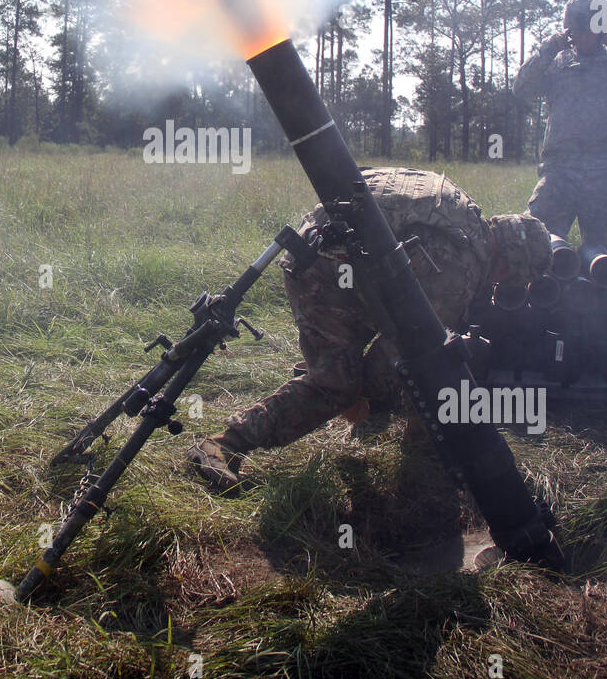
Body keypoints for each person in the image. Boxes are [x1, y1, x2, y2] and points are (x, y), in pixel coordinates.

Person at [187, 167, 552, 492]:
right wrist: (368, 393)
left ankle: (332, 379)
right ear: (506, 268)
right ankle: (223, 442)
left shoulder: (461, 208)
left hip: (325, 253)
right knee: (339, 385)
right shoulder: (462, 269)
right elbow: (404, 355)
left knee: (351, 368)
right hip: (327, 273)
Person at [514, 0, 607, 249]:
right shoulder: (557, 63)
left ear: (603, 32)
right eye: (575, 31)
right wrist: (547, 50)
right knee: (533, 245)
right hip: (560, 173)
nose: (580, 37)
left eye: (587, 31)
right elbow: (521, 88)